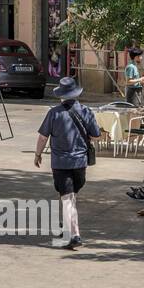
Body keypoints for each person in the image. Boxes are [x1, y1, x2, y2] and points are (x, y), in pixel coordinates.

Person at [34, 76, 100, 249]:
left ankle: (75, 235)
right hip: (80, 163)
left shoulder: (54, 113)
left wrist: (37, 154)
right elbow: (95, 135)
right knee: (70, 197)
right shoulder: (86, 111)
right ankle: (68, 227)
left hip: (61, 163)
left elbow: (42, 137)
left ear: (61, 95)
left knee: (68, 199)